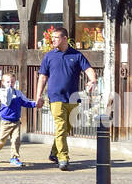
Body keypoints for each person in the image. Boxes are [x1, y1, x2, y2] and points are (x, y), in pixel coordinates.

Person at [34, 27, 97, 171]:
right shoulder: (49, 56)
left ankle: (54, 152)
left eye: (56, 37)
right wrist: (38, 95)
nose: (53, 40)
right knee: (61, 126)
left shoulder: (76, 55)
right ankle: (63, 158)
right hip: (55, 97)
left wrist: (92, 80)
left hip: (72, 98)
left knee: (67, 128)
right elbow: (42, 77)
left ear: (64, 39)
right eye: (53, 37)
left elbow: (88, 69)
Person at [0, 70, 37, 166]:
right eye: (8, 82)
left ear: (15, 82)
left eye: (12, 82)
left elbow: (25, 102)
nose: (10, 84)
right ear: (3, 83)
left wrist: (36, 104)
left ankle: (14, 158)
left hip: (16, 122)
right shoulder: (1, 91)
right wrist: (9, 91)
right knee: (1, 140)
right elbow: (6, 101)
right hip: (6, 121)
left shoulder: (18, 93)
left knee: (16, 139)